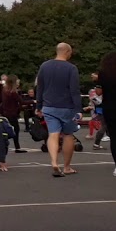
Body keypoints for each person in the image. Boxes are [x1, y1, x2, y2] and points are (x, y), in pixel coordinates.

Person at [35, 42, 82, 177]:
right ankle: (66, 166)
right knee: (68, 136)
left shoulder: (44, 66)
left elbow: (40, 88)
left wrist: (39, 106)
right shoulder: (71, 68)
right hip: (67, 107)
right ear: (67, 52)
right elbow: (74, 90)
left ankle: (54, 162)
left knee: (53, 134)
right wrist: (78, 109)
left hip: (49, 106)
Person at [0, 77, 26, 153]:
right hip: (12, 113)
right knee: (15, 129)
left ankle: (2, 145)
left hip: (5, 113)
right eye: (17, 83)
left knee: (5, 129)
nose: (18, 85)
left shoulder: (3, 91)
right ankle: (17, 147)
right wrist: (33, 101)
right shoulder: (13, 93)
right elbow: (21, 101)